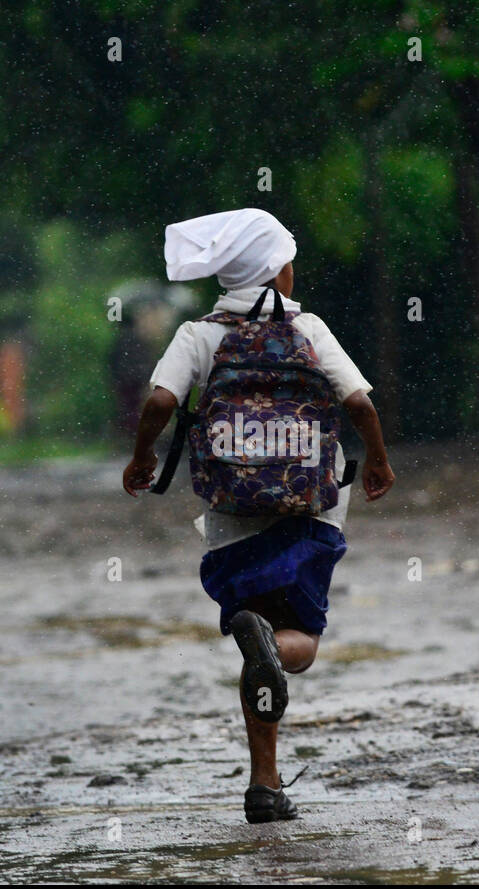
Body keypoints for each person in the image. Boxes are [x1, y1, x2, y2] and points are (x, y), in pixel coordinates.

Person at [123, 208, 394, 823]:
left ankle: (264, 785)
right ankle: (271, 686)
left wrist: (143, 457)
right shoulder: (311, 330)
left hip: (231, 516)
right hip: (308, 511)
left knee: (255, 647)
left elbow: (160, 401)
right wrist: (377, 461)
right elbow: (360, 404)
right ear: (278, 272)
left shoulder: (200, 335)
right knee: (301, 641)